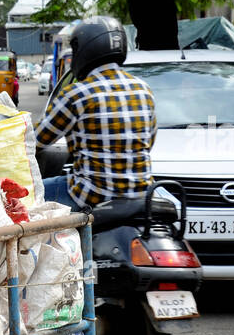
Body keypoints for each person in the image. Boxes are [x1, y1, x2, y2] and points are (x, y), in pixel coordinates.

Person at [35, 16, 156, 211]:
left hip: (91, 195)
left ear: (85, 49)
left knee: (26, 196)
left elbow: (36, 142)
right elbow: (148, 142)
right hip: (141, 194)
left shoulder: (76, 93)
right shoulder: (143, 89)